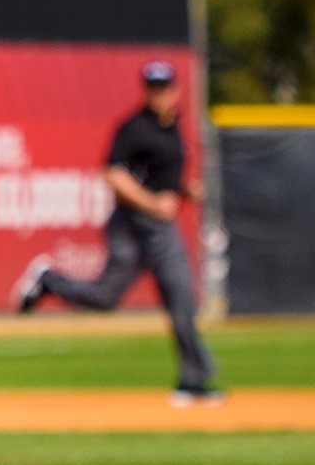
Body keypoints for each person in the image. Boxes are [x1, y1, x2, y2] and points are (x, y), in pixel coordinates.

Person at [12, 60, 222, 405]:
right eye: (152, 88)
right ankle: (48, 280)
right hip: (133, 225)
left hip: (160, 230)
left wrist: (183, 190)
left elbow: (156, 175)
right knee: (105, 297)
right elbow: (113, 174)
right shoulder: (135, 128)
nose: (159, 95)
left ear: (176, 90)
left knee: (182, 299)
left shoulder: (173, 127)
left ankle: (193, 382)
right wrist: (152, 203)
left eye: (164, 88)